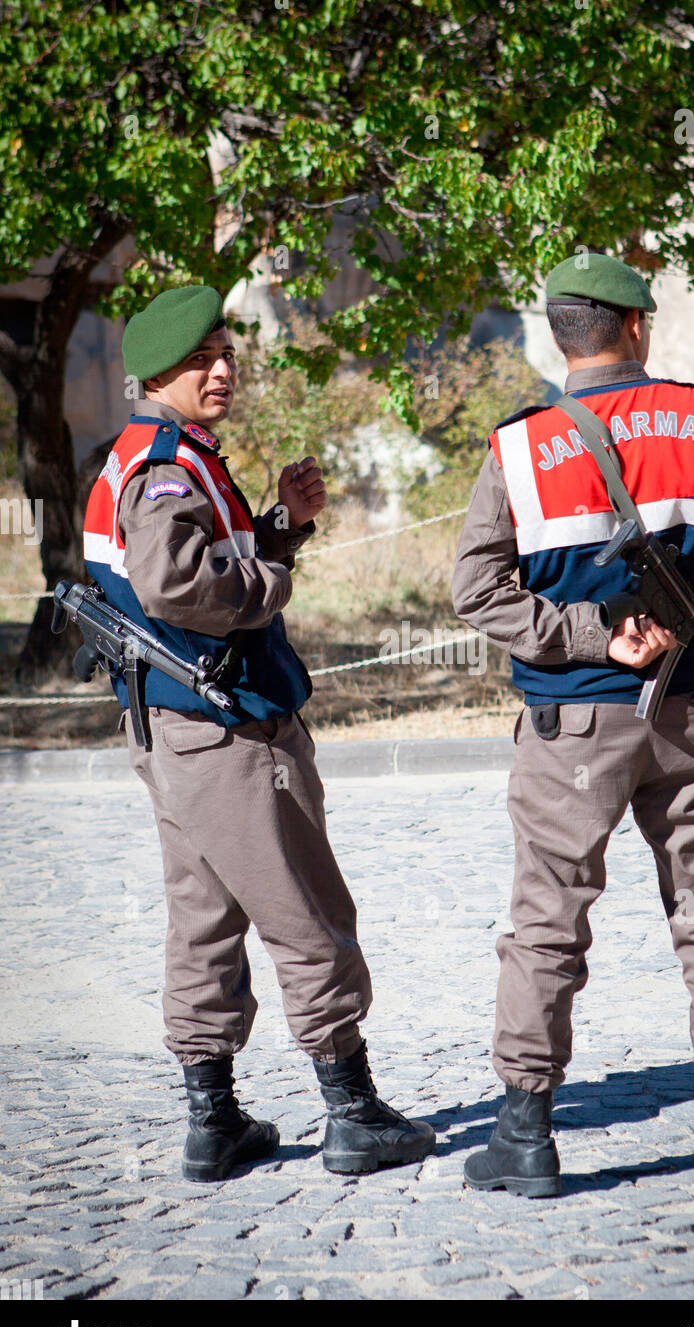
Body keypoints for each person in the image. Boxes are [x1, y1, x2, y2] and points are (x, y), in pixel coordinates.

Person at [452, 252, 694, 1197]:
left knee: (547, 916)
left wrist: (584, 633)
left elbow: (476, 591)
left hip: (574, 722)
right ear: (635, 327)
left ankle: (526, 1136)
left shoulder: (518, 447)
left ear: (561, 335)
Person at [82, 284, 434, 1182]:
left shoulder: (147, 455)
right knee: (306, 910)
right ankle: (351, 1114)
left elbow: (182, 573)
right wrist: (269, 581)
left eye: (228, 354)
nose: (224, 370)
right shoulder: (166, 465)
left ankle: (214, 1124)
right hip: (231, 730)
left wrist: (278, 526)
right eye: (204, 360)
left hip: (173, 731)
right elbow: (175, 585)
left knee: (202, 921)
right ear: (160, 371)